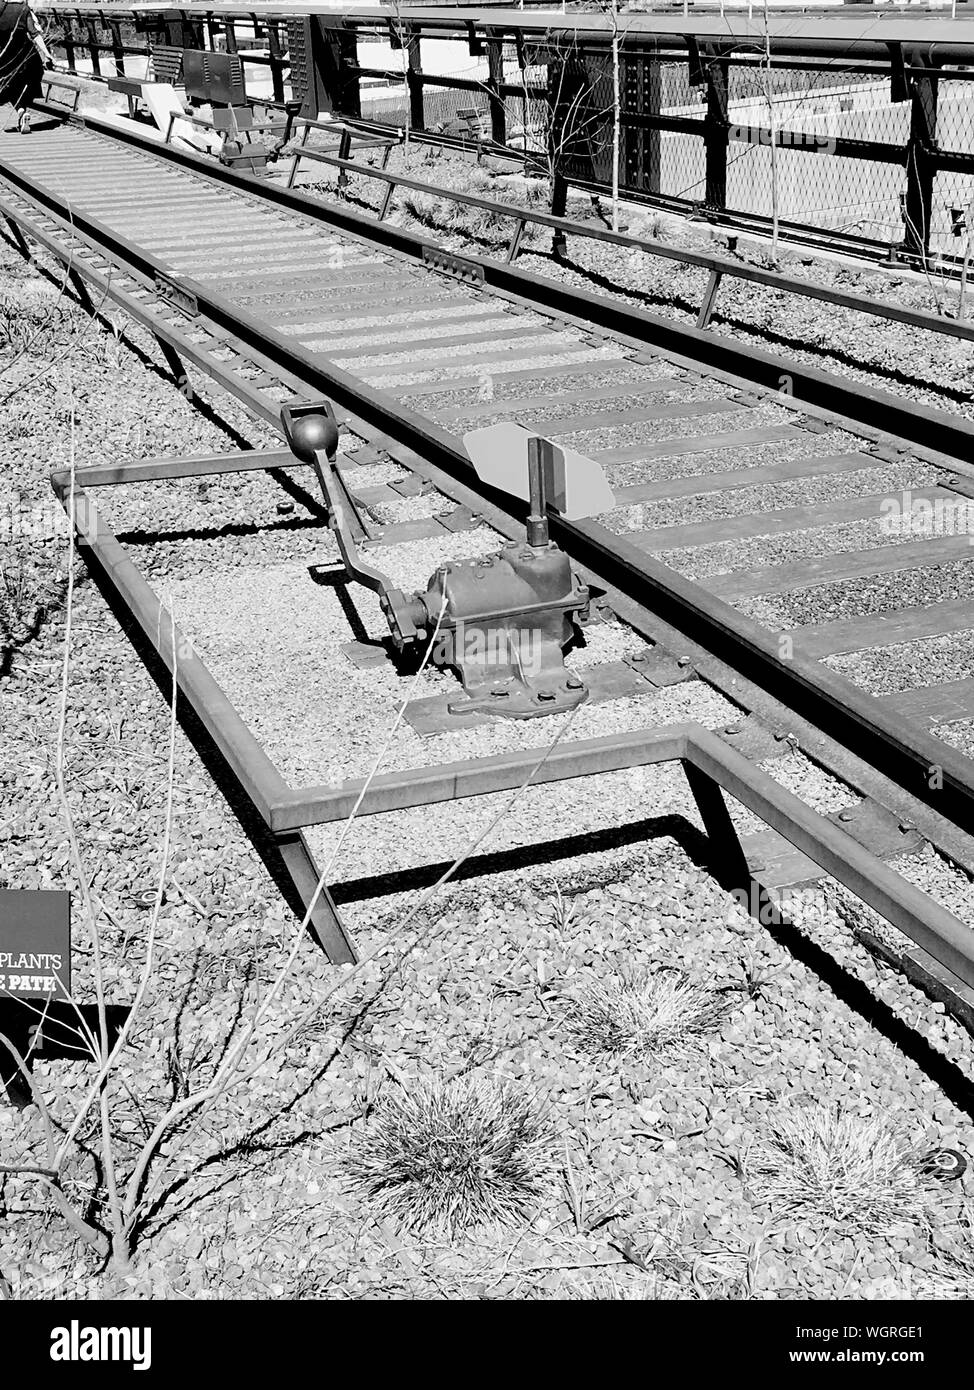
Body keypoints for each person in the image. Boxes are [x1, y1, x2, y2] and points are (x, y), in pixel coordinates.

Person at [2, 1, 55, 133]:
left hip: (4, 54)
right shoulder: (23, 9)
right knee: (22, 85)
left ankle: (21, 112)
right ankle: (22, 113)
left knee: (8, 86)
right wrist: (47, 54)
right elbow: (34, 34)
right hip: (24, 54)